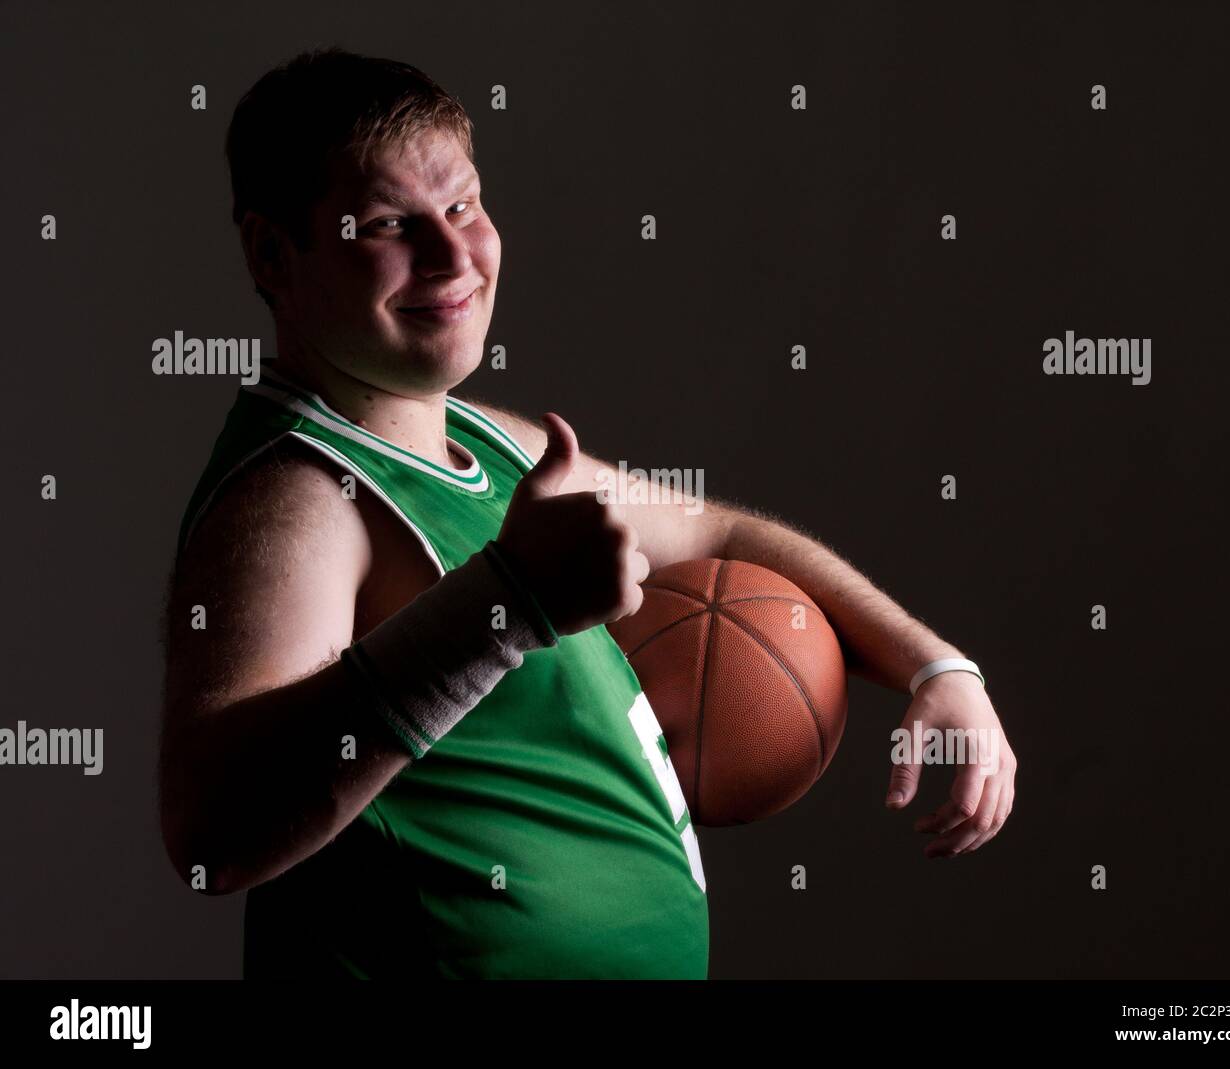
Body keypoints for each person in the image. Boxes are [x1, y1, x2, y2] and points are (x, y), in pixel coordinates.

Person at [158, 47, 1017, 979]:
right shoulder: (298, 499)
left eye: (463, 206)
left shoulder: (495, 445)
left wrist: (937, 664)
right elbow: (215, 832)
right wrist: (506, 602)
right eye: (391, 225)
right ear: (272, 254)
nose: (453, 256)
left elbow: (718, 533)